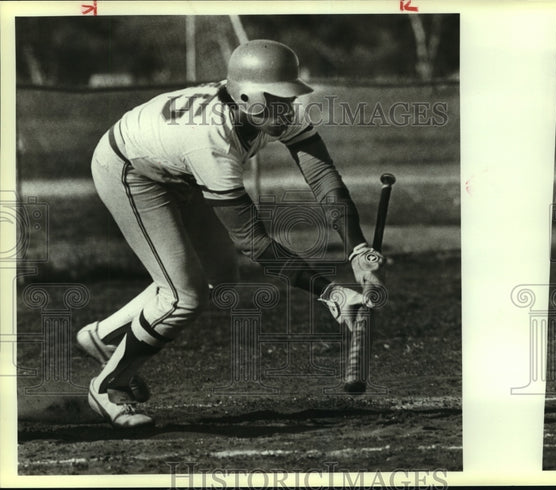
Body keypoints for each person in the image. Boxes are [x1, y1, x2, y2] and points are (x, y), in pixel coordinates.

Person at [77, 39, 385, 428]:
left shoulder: (267, 111)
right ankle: (108, 387)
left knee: (220, 275)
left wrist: (356, 248)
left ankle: (106, 338)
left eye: (289, 97)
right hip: (130, 171)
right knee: (182, 299)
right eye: (277, 99)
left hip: (177, 168)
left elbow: (323, 177)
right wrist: (329, 292)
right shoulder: (212, 140)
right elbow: (252, 241)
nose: (287, 108)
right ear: (243, 96)